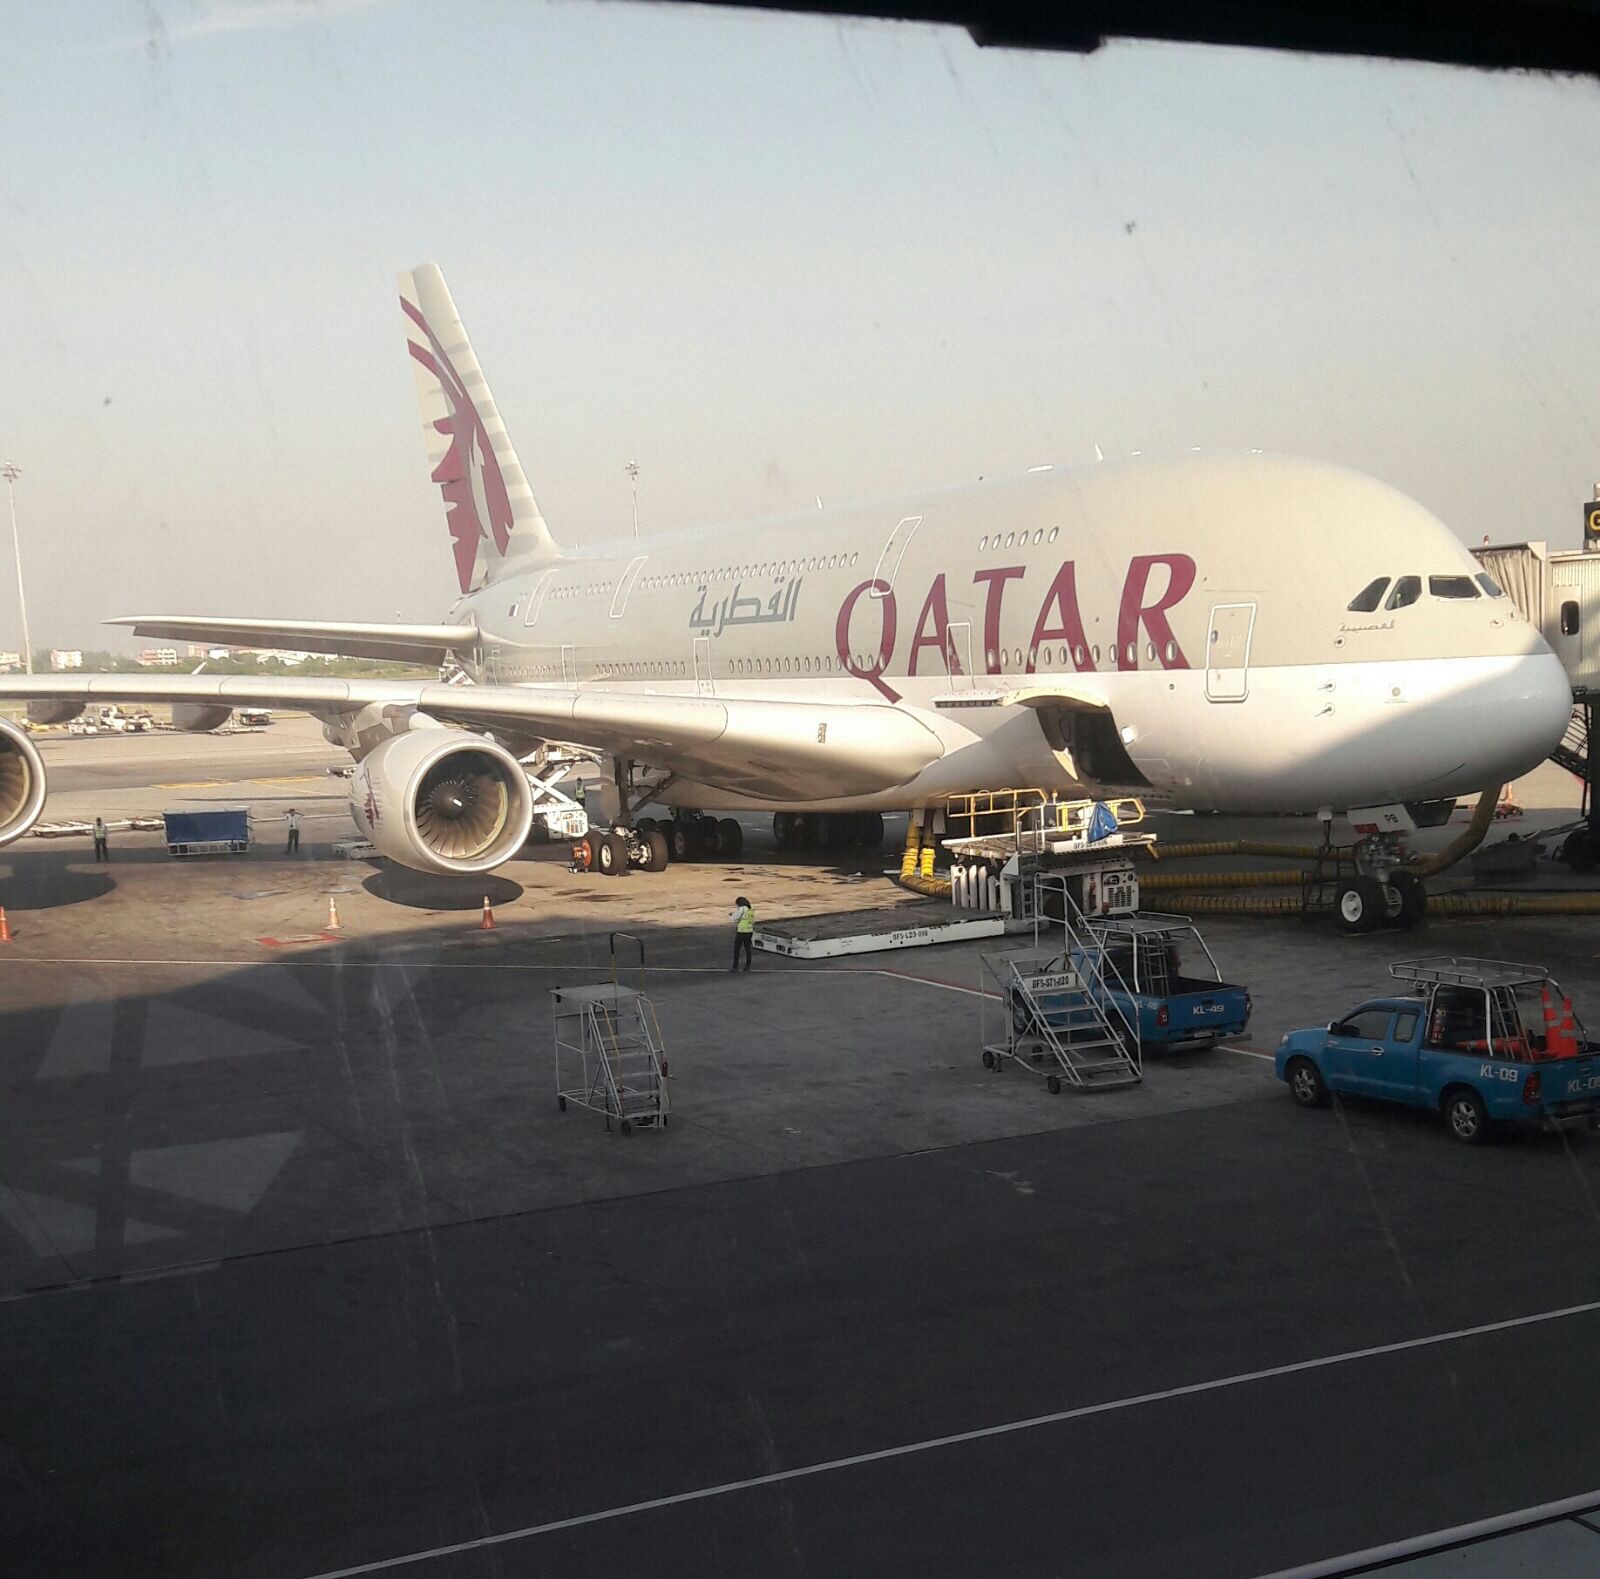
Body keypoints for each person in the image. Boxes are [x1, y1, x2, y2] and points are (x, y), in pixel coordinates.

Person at [730, 895, 755, 972]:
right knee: (748, 949)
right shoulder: (750, 910)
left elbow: (735, 918)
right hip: (749, 931)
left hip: (741, 931)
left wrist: (732, 915)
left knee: (737, 949)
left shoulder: (742, 909)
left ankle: (735, 966)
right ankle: (748, 966)